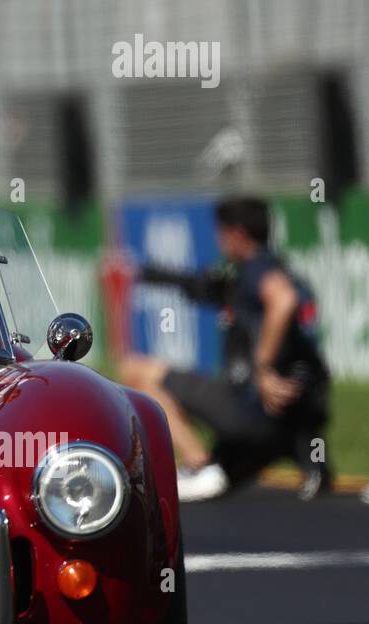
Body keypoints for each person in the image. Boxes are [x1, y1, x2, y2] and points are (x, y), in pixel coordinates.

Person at [117, 197, 331, 502]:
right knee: (231, 476)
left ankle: (199, 464)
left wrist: (263, 367)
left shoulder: (258, 271)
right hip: (292, 418)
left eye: (221, 232)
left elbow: (283, 300)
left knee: (135, 370)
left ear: (237, 234)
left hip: (254, 413)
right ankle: (294, 459)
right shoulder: (261, 271)